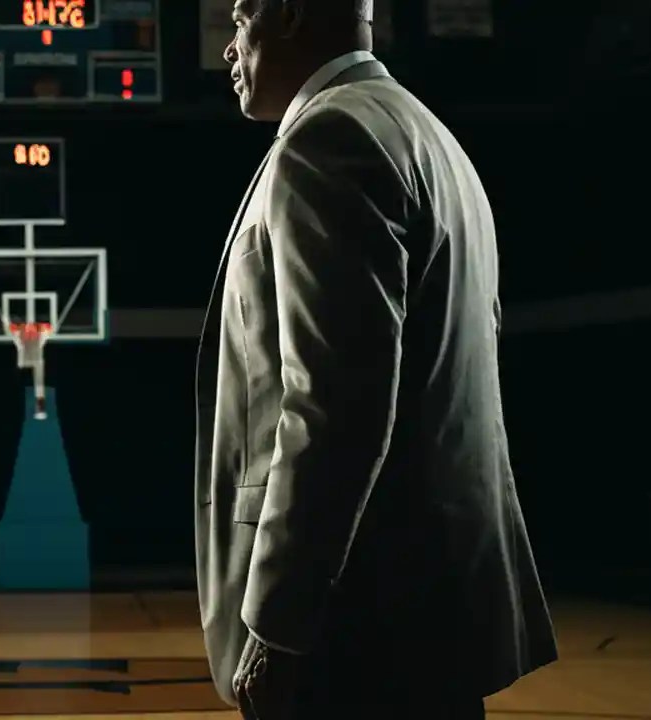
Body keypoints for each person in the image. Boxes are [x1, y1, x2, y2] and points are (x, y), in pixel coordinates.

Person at [192, 0, 559, 717]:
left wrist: (280, 621)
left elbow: (335, 409)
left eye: (239, 21)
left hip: (357, 621)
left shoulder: (327, 140)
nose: (229, 50)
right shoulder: (432, 137)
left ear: (288, 14)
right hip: (431, 605)